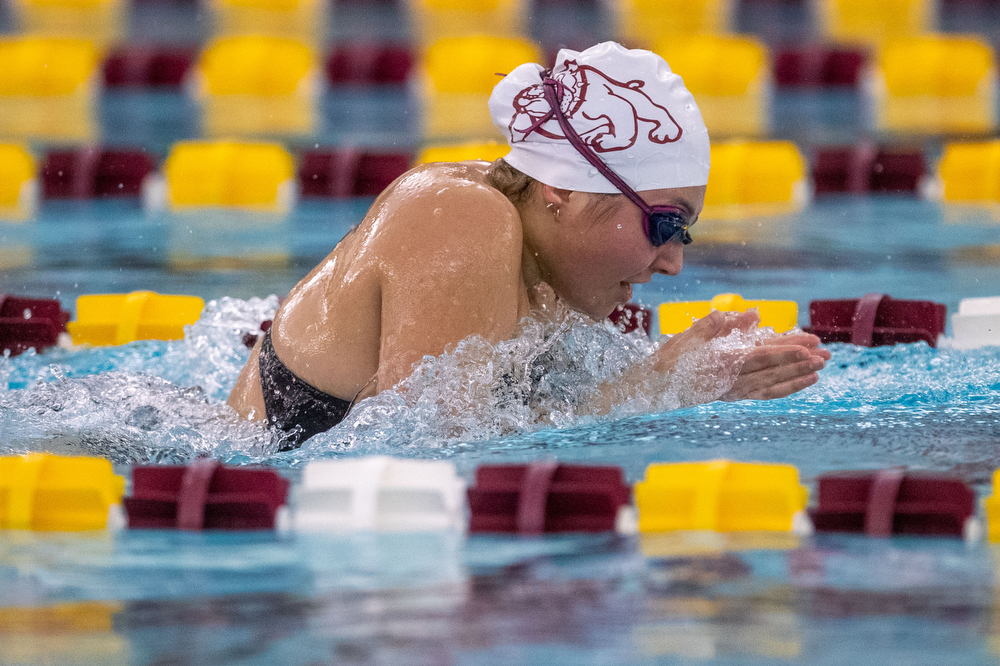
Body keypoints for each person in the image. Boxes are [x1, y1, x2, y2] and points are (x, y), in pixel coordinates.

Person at [227, 42, 830, 448]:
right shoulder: (461, 215)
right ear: (560, 190)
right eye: (666, 226)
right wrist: (656, 388)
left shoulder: (547, 277)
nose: (673, 263)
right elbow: (433, 446)